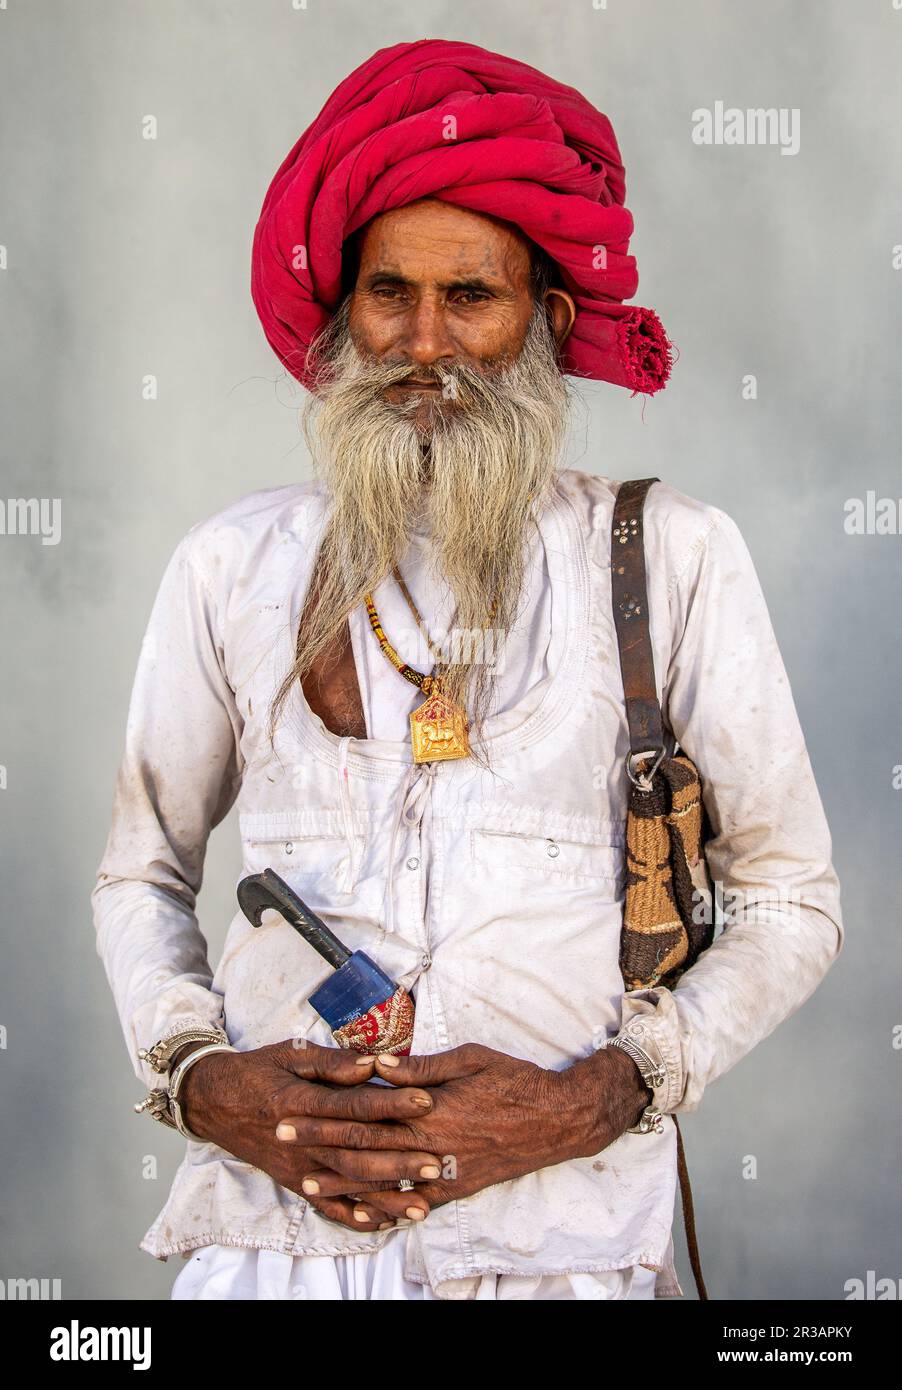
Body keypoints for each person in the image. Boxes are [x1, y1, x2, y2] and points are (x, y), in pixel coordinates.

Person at [92, 39, 843, 1301]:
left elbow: (788, 899)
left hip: (564, 1247)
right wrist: (196, 1072)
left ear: (544, 321)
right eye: (389, 294)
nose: (424, 343)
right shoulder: (234, 564)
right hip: (272, 1251)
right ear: (342, 315)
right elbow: (140, 871)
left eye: (471, 299)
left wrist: (601, 1097)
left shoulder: (668, 557)